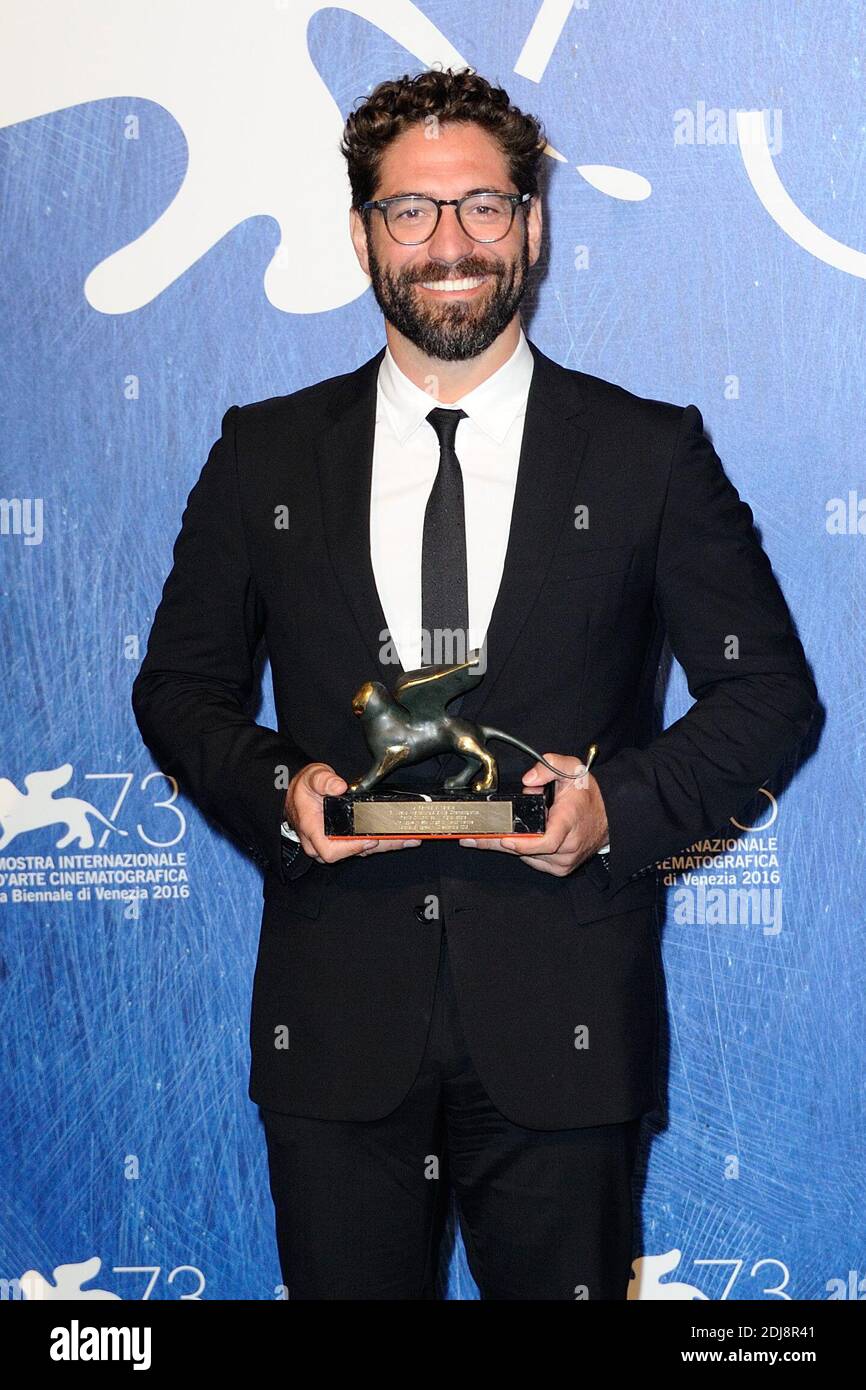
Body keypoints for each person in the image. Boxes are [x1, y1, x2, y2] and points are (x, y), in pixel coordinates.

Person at [131, 66, 818, 1300]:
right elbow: (178, 688)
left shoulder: (647, 452)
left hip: (566, 1028)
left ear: (532, 225)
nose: (449, 243)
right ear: (360, 236)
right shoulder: (262, 454)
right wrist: (284, 790)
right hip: (335, 1033)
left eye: (483, 208)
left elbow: (767, 694)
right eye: (410, 212)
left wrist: (616, 809)